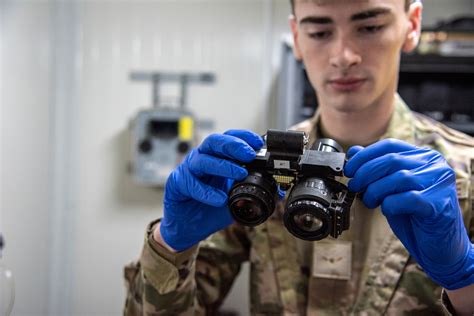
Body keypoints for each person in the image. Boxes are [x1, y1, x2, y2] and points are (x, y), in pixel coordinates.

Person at [124, 0, 474, 314]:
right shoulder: (258, 169)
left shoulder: (464, 173)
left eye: (369, 27)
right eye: (320, 31)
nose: (344, 56)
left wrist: (465, 280)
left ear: (411, 25)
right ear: (297, 36)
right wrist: (169, 245)